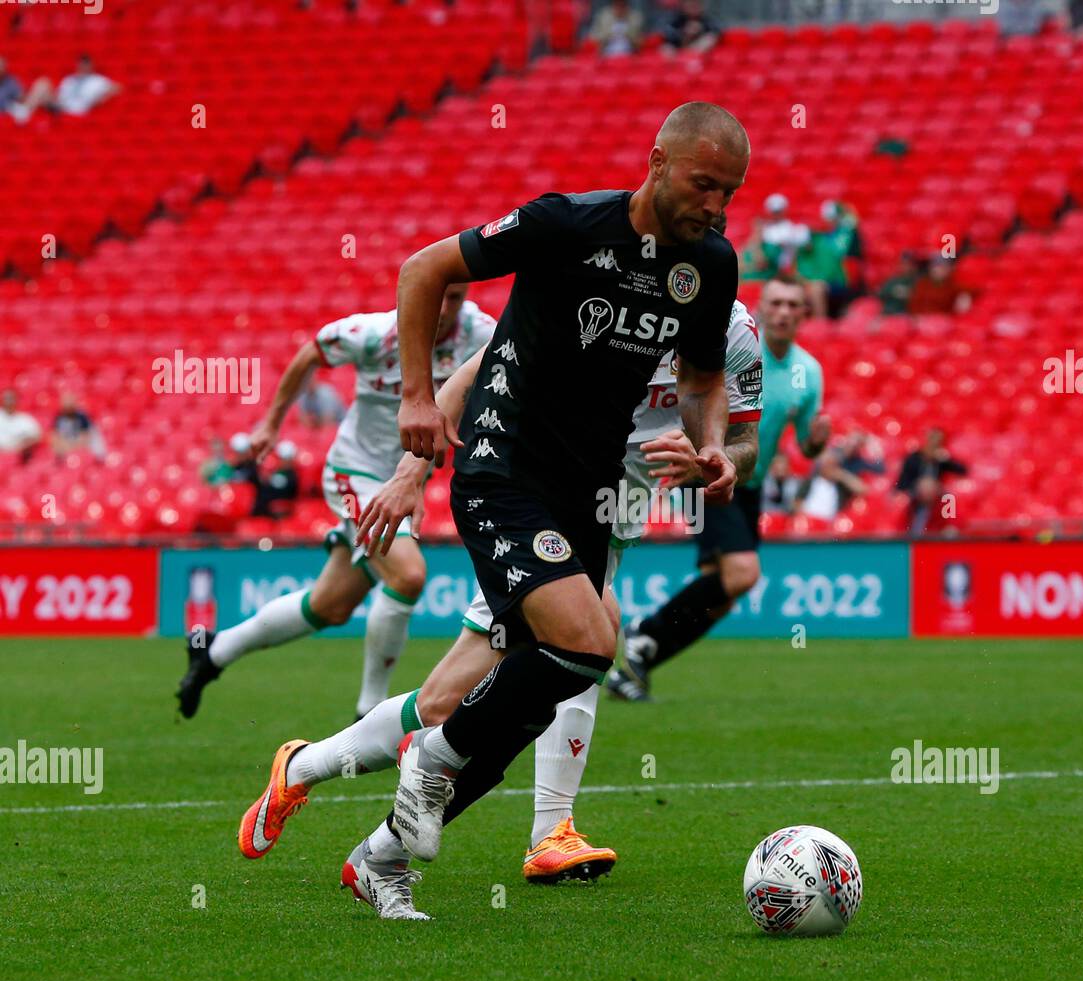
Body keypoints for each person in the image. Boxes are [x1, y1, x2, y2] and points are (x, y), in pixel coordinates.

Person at [235, 102, 749, 919]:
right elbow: (421, 270)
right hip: (502, 466)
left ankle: (380, 858)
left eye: (730, 192)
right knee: (587, 644)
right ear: (657, 160)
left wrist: (712, 445)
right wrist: (413, 411)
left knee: (515, 701)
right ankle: (435, 766)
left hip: (584, 495)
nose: (715, 206)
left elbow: (702, 381)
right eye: (704, 184)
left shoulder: (710, 266)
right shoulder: (563, 225)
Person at [175, 288, 496, 723]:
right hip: (353, 473)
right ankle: (369, 712)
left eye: (454, 298)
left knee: (330, 605)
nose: (443, 310)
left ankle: (213, 650)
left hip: (403, 479)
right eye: (435, 297)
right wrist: (271, 423)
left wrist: (418, 480)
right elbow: (311, 353)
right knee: (409, 574)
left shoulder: (481, 334)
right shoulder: (372, 333)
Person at [609, 273, 828, 701]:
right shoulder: (735, 342)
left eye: (792, 305)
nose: (783, 313)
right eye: (776, 303)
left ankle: (640, 660)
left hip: (750, 483)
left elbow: (804, 444)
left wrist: (815, 443)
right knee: (743, 573)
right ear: (762, 308)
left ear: (804, 313)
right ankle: (644, 632)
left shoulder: (809, 372)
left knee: (722, 592)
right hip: (704, 470)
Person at [799, 430, 885, 520]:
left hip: (836, 507)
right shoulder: (833, 454)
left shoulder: (858, 462)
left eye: (857, 443)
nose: (853, 445)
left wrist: (875, 448)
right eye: (852, 440)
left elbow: (878, 471)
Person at [896, 427, 967, 536]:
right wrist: (919, 486)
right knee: (923, 493)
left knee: (948, 497)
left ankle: (949, 527)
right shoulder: (914, 458)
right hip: (915, 492)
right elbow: (903, 481)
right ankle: (916, 532)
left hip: (935, 492)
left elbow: (962, 470)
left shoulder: (941, 460)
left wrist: (946, 459)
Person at [908, 256, 972, 315]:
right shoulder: (922, 283)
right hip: (921, 319)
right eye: (936, 267)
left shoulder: (954, 285)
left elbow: (966, 294)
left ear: (949, 269)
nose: (939, 270)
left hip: (943, 320)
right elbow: (914, 304)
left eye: (943, 267)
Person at [251, 441, 300, 518]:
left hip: (283, 509)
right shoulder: (275, 472)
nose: (284, 461)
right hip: (264, 509)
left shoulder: (292, 476)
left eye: (287, 459)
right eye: (282, 458)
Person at [49, 393, 102, 459]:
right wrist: (63, 445)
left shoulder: (82, 417)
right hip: (66, 445)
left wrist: (73, 447)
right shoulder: (59, 417)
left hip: (81, 446)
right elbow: (54, 436)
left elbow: (85, 437)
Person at [0, 389, 41, 462]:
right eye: (6, 398)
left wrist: (21, 447)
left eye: (11, 399)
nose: (9, 402)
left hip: (19, 456)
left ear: (16, 400)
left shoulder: (25, 419)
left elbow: (36, 436)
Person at [878, 251, 921, 316]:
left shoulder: (919, 281)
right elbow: (881, 294)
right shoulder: (894, 280)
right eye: (904, 264)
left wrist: (910, 293)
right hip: (890, 313)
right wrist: (894, 291)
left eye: (909, 264)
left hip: (909, 315)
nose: (906, 267)